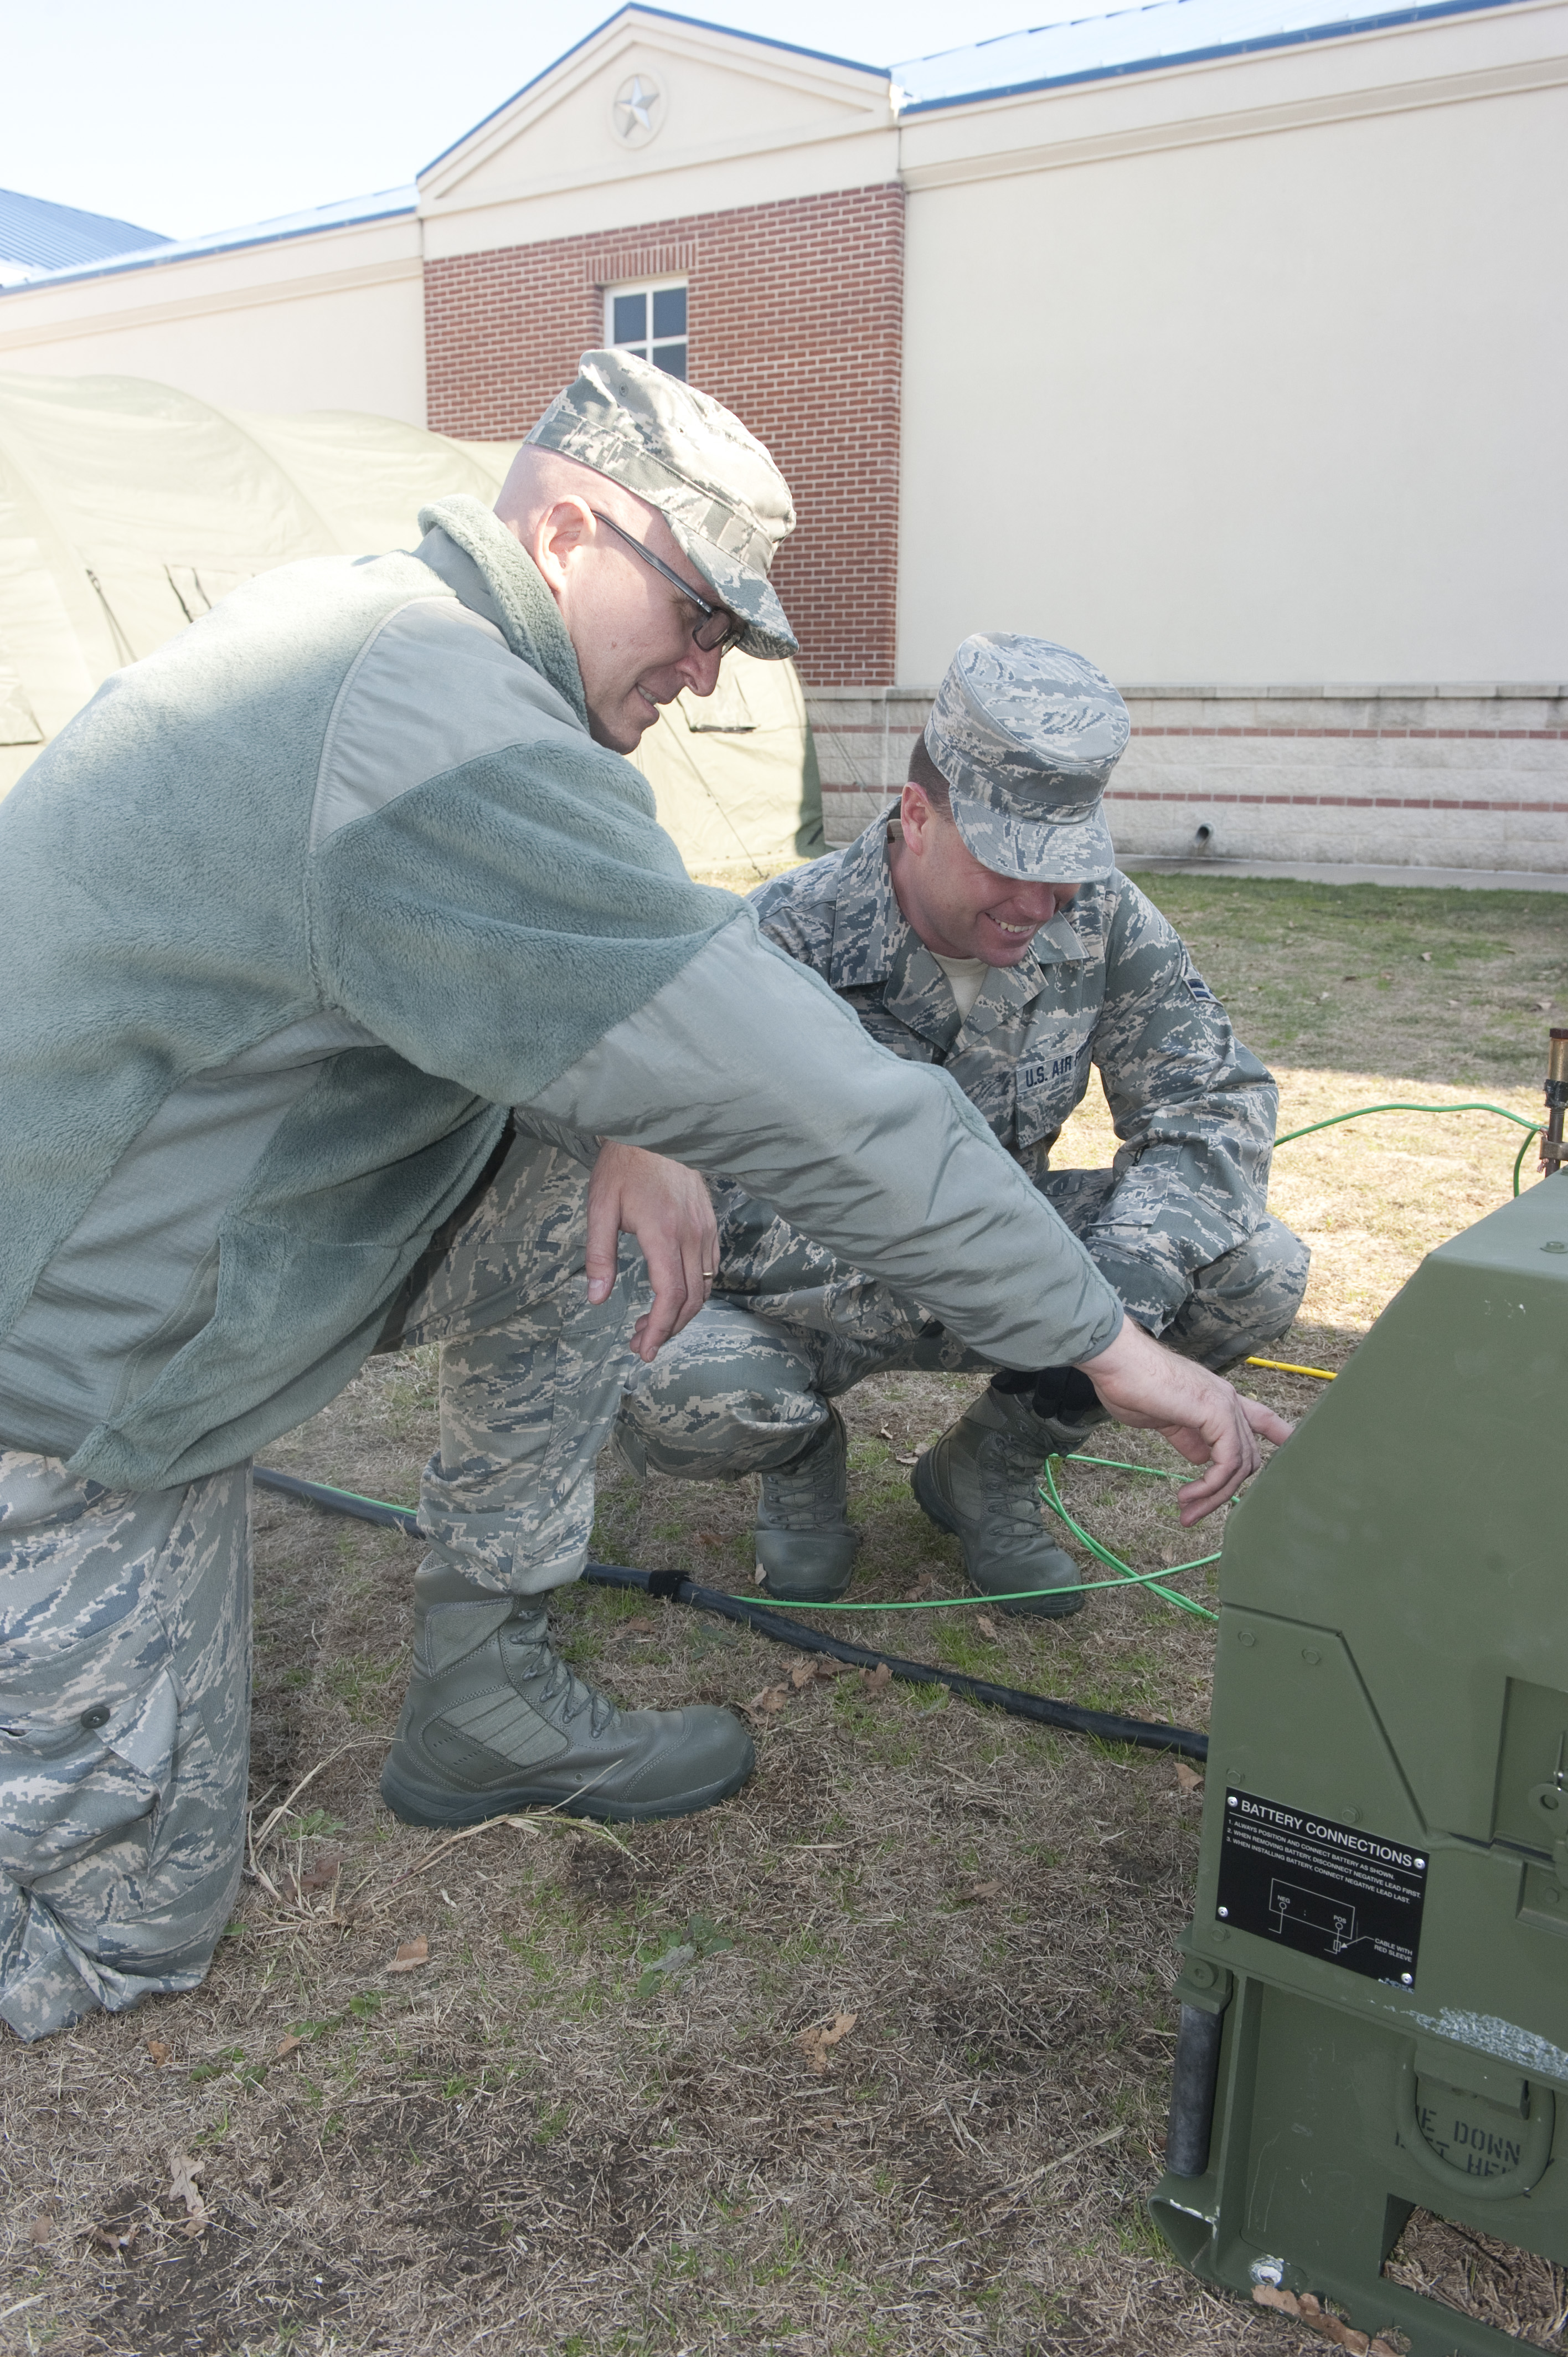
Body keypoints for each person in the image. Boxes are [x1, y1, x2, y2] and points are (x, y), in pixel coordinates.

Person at [0, 357, 1288, 2042]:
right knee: (127, 1933)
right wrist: (1104, 1344)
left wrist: (637, 1115)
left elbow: (526, 989)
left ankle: (480, 1697)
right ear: (562, 532)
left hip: (186, 1268)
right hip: (73, 1376)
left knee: (571, 1207)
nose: (704, 671)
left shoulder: (401, 651)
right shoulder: (426, 711)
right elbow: (812, 1089)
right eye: (694, 616)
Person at [619, 633, 1308, 1613]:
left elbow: (1210, 1105)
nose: (1039, 903)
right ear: (918, 816)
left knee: (1254, 1268)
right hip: (805, 1291)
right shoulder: (779, 938)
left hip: (1025, 1278)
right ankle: (802, 1457)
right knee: (668, 1385)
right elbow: (700, 1188)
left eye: (1065, 864)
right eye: (1009, 864)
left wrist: (1114, 1313)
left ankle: (990, 1469)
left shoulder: (1099, 917)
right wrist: (988, 1276)